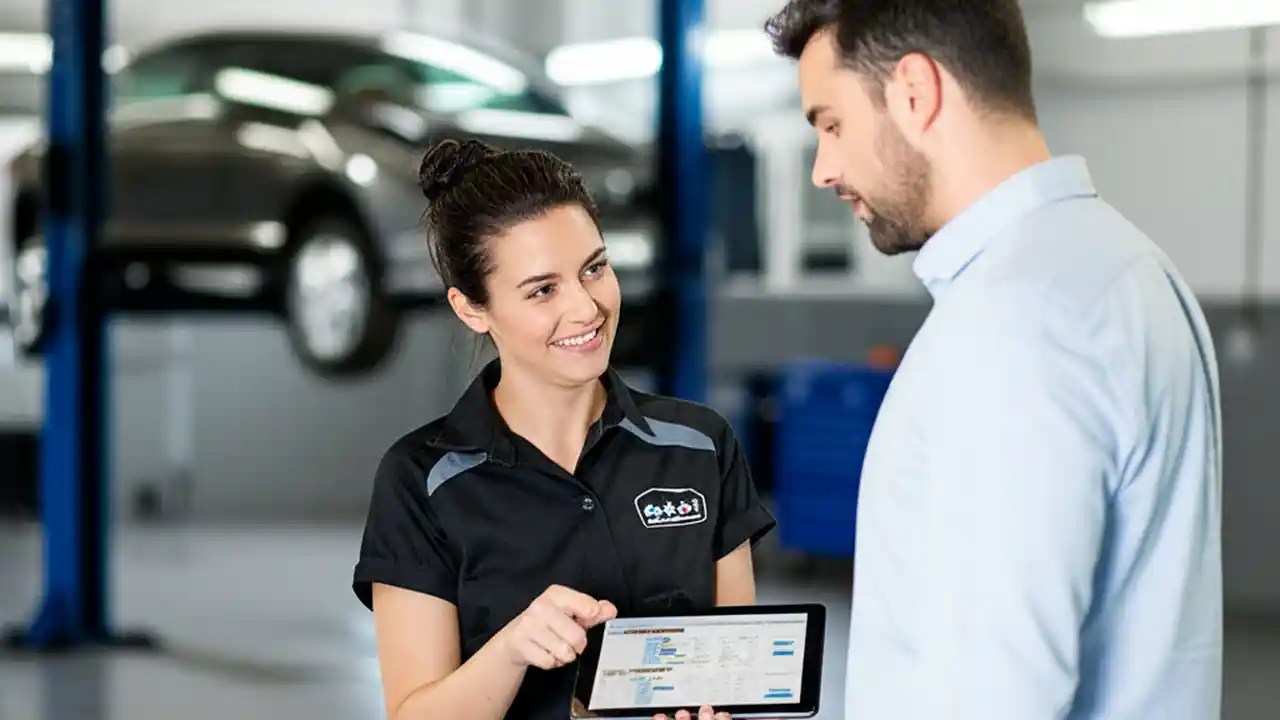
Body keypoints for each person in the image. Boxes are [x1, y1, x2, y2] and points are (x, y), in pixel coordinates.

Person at [765, 1, 1223, 718]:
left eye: (832, 124)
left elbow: (991, 692)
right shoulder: (1124, 268)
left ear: (915, 93)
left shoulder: (1014, 321)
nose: (824, 169)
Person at [351, 138, 776, 720]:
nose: (586, 308)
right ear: (471, 309)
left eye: (595, 269)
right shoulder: (420, 481)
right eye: (543, 290)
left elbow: (736, 679)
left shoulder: (701, 447)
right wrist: (513, 648)